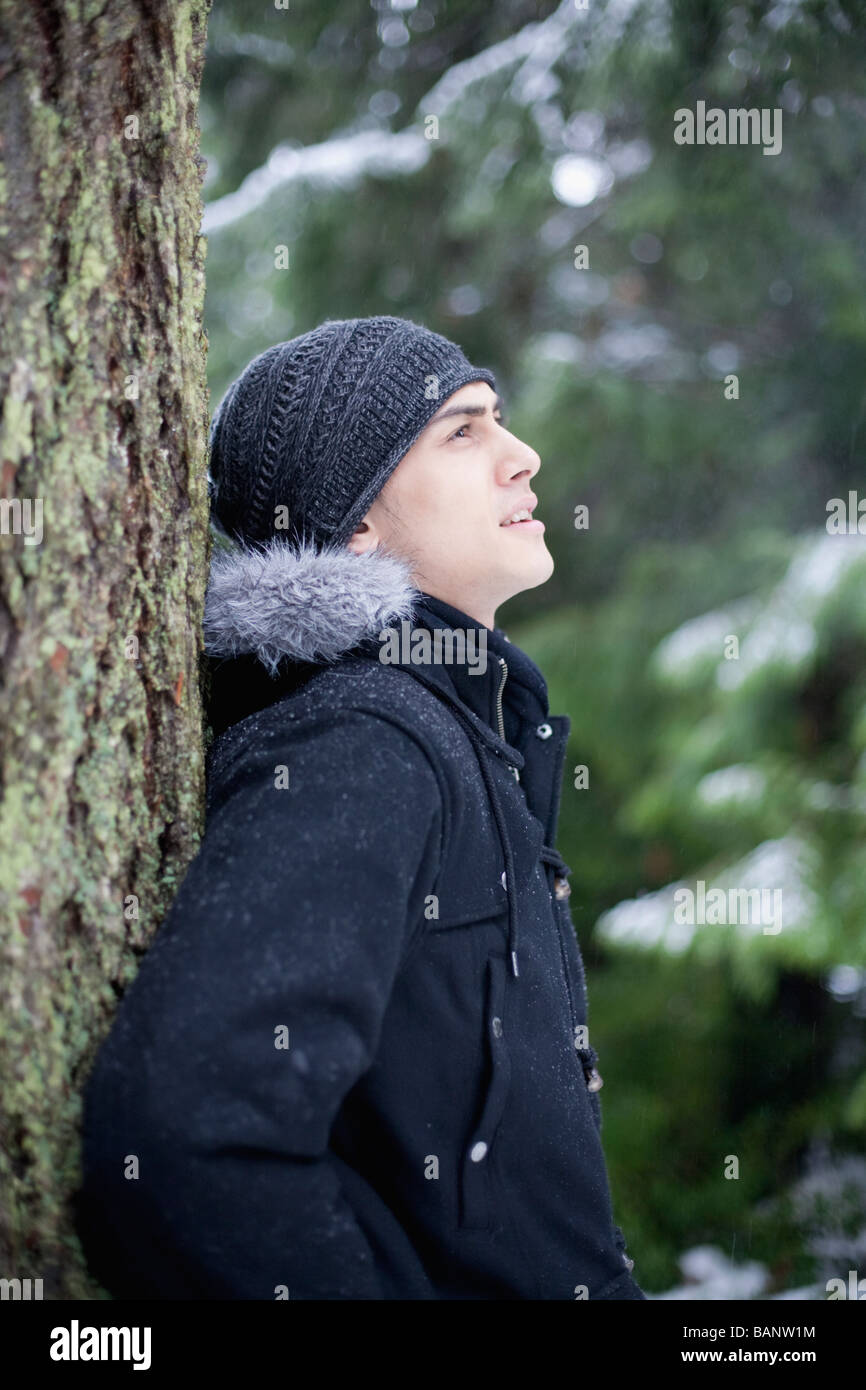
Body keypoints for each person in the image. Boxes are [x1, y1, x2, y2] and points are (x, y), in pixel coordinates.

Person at [76, 314, 646, 1300]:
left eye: (497, 417)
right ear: (353, 522)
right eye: (461, 431)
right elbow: (193, 1128)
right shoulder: (366, 740)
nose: (522, 455)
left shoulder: (460, 732)